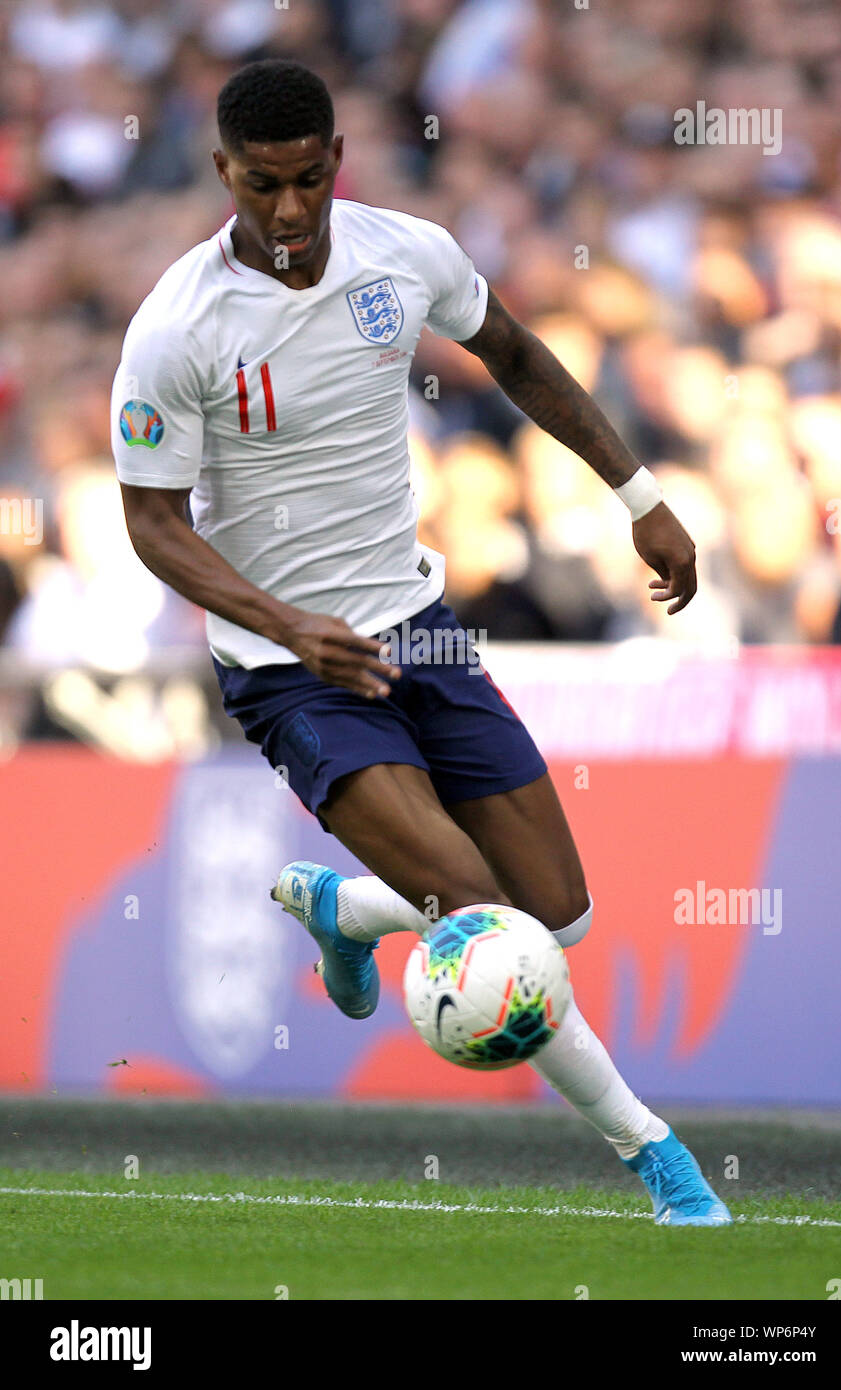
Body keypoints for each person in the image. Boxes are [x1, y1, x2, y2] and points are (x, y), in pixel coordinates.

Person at [112, 58, 729, 1227]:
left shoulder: (405, 254)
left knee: (560, 917)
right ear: (221, 173)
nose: (288, 211)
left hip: (422, 633)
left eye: (307, 180)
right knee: (483, 915)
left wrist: (638, 491)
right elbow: (148, 523)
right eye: (261, 187)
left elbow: (519, 356)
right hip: (291, 671)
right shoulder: (176, 329)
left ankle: (349, 913)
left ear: (337, 158)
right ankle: (655, 1156)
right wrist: (289, 624)